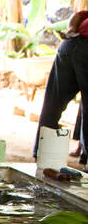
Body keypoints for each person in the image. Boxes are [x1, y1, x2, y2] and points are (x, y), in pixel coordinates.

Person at [36, 9, 88, 167]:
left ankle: (41, 151)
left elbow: (78, 15)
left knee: (54, 101)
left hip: (69, 44)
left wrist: (72, 30)